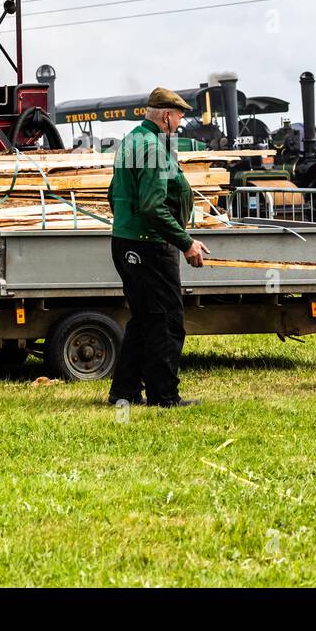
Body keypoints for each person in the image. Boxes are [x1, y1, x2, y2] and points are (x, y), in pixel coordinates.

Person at [107, 88, 211, 408]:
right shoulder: (153, 148)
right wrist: (185, 241)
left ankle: (123, 392)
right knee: (166, 321)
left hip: (126, 242)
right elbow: (153, 207)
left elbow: (114, 195)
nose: (180, 124)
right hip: (150, 245)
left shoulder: (132, 142)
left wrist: (129, 222)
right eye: (179, 117)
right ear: (166, 115)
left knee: (143, 319)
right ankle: (164, 396)